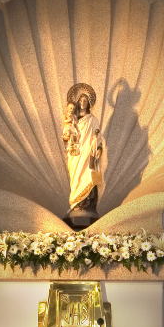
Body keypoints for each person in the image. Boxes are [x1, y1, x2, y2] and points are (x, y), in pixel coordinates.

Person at [62, 83, 105, 225]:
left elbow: (97, 136)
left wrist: (98, 148)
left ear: (88, 103)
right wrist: (67, 136)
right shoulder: (71, 119)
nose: (82, 103)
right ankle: (76, 204)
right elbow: (66, 137)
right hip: (75, 153)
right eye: (80, 101)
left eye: (85, 101)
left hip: (87, 151)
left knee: (87, 175)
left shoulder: (92, 119)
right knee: (75, 176)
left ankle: (87, 205)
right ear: (77, 102)